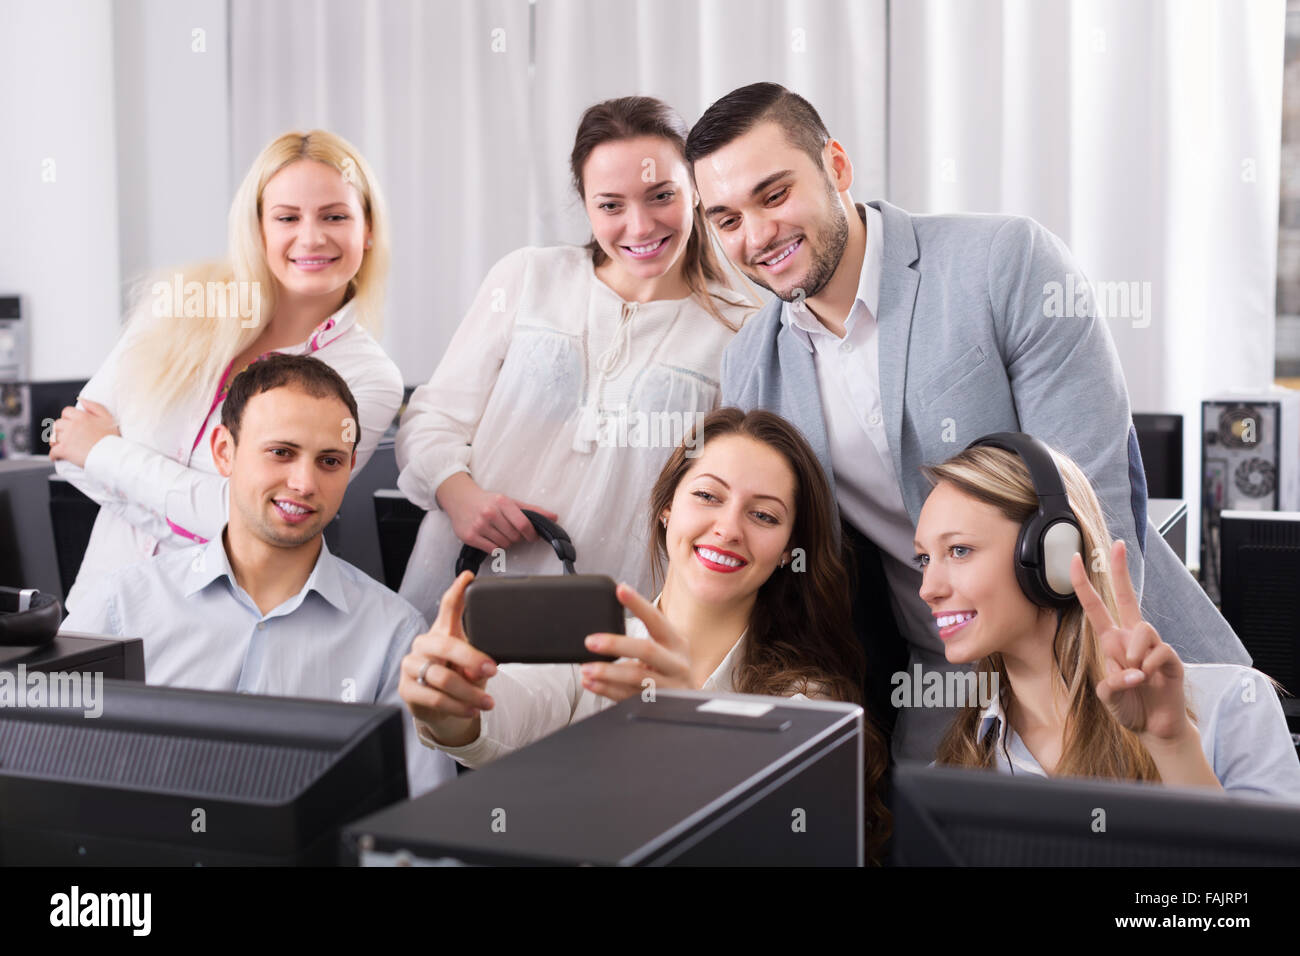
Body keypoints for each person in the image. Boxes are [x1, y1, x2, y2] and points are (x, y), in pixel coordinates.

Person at [684, 81, 1251, 761]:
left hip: (1117, 649)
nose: (757, 235)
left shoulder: (1005, 263)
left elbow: (1090, 505)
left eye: (774, 195)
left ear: (836, 166)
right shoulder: (752, 362)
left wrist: (1085, 706)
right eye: (726, 219)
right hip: (945, 687)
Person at [400, 407, 891, 857]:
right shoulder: (594, 645)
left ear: (789, 549)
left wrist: (687, 725)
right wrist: (450, 704)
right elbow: (504, 715)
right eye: (706, 496)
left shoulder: (807, 702)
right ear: (667, 509)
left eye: (763, 515)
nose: (728, 528)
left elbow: (775, 841)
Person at [394, 96, 755, 621]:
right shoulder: (527, 278)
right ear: (584, 203)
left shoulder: (741, 327)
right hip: (461, 589)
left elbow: (733, 490)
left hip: (618, 607)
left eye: (661, 196)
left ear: (696, 190)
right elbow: (430, 419)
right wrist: (457, 492)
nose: (640, 227)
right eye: (611, 205)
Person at [60, 354, 454, 796]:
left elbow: (418, 819)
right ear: (224, 452)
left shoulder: (394, 636)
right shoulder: (122, 606)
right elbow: (41, 768)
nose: (304, 483)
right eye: (281, 453)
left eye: (329, 461)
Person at [51, 129, 403, 611]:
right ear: (258, 228)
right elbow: (71, 449)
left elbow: (267, 520)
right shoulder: (177, 304)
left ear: (368, 230)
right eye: (287, 217)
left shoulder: (369, 378)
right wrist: (193, 507)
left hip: (223, 626)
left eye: (335, 216)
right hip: (99, 610)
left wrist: (109, 455)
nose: (312, 236)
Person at [915, 436, 1300, 796]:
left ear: (1053, 557)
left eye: (959, 550)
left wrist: (1173, 745)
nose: (928, 588)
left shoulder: (1233, 707)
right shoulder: (955, 772)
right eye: (924, 559)